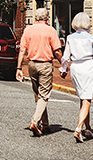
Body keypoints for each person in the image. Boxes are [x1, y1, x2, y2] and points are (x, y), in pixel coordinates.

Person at [16, 7, 63, 136]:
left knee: (38, 94)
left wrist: (19, 68)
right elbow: (57, 51)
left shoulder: (28, 30)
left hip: (32, 65)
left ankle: (45, 125)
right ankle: (35, 121)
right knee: (44, 95)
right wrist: (63, 64)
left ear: (36, 17)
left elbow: (22, 50)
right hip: (45, 65)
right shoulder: (50, 31)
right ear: (47, 18)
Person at [59, 12, 93, 143]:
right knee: (87, 99)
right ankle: (79, 128)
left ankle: (88, 127)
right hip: (88, 66)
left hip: (76, 67)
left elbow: (65, 57)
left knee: (83, 98)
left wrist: (64, 69)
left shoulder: (69, 37)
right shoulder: (92, 38)